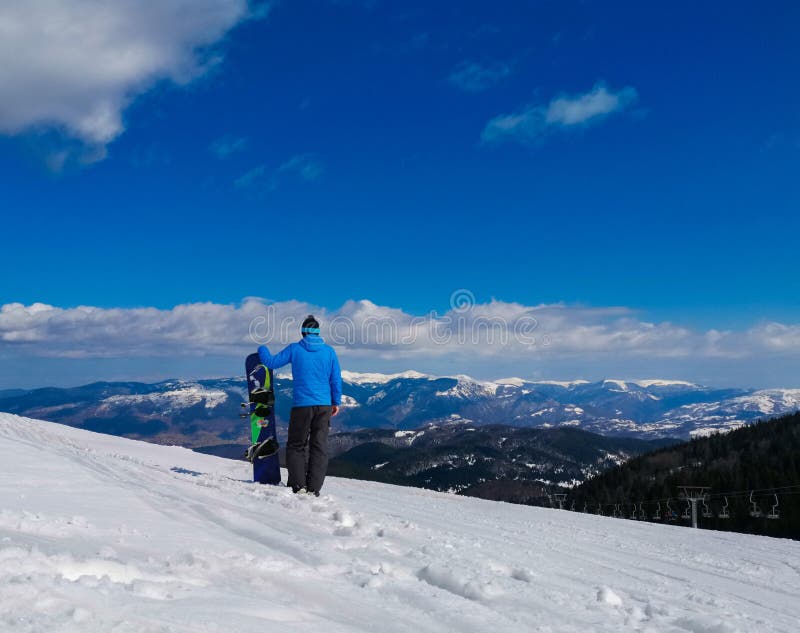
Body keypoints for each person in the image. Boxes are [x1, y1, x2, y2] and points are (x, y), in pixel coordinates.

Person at [257, 315, 342, 496]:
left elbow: (270, 362)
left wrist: (261, 348)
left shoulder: (295, 349)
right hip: (324, 406)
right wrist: (336, 401)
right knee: (319, 446)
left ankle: (298, 486)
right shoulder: (329, 352)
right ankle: (313, 488)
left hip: (302, 406)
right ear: (318, 333)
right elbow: (335, 379)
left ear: (303, 332)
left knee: (296, 445)